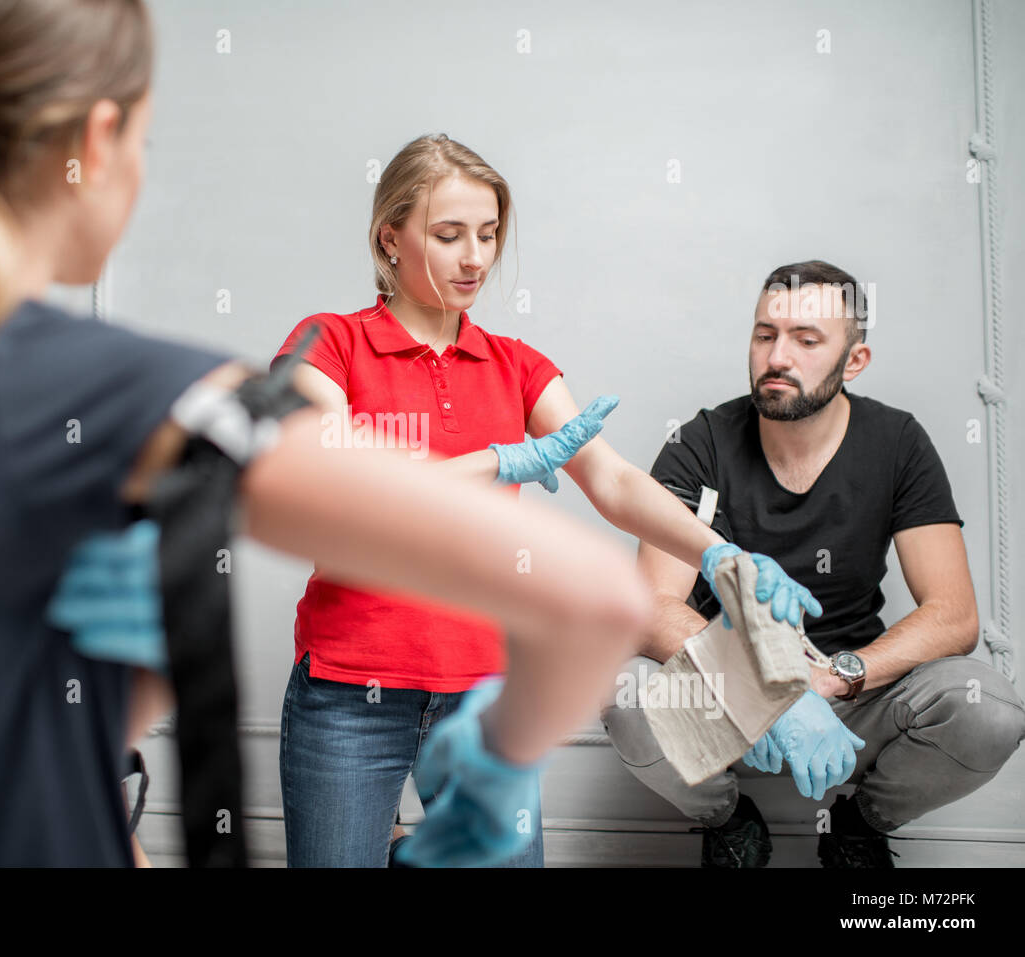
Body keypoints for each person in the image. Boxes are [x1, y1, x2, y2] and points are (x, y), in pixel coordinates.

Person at [0, 0, 655, 867]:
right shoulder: (130, 388)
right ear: (99, 137)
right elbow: (598, 601)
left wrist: (118, 698)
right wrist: (495, 768)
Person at [267, 135, 824, 867]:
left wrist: (718, 551)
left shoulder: (516, 365)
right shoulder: (326, 346)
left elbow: (616, 482)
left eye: (489, 234)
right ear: (389, 238)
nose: (476, 258)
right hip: (348, 692)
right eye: (449, 234)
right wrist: (501, 461)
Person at [601, 260, 1025, 867]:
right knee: (626, 692)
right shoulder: (699, 443)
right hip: (727, 692)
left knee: (991, 709)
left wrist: (830, 679)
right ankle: (728, 823)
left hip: (855, 686)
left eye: (806, 340)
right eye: (765, 334)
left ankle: (860, 826)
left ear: (854, 361)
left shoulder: (898, 442)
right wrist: (771, 688)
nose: (777, 357)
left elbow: (955, 616)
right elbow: (650, 610)